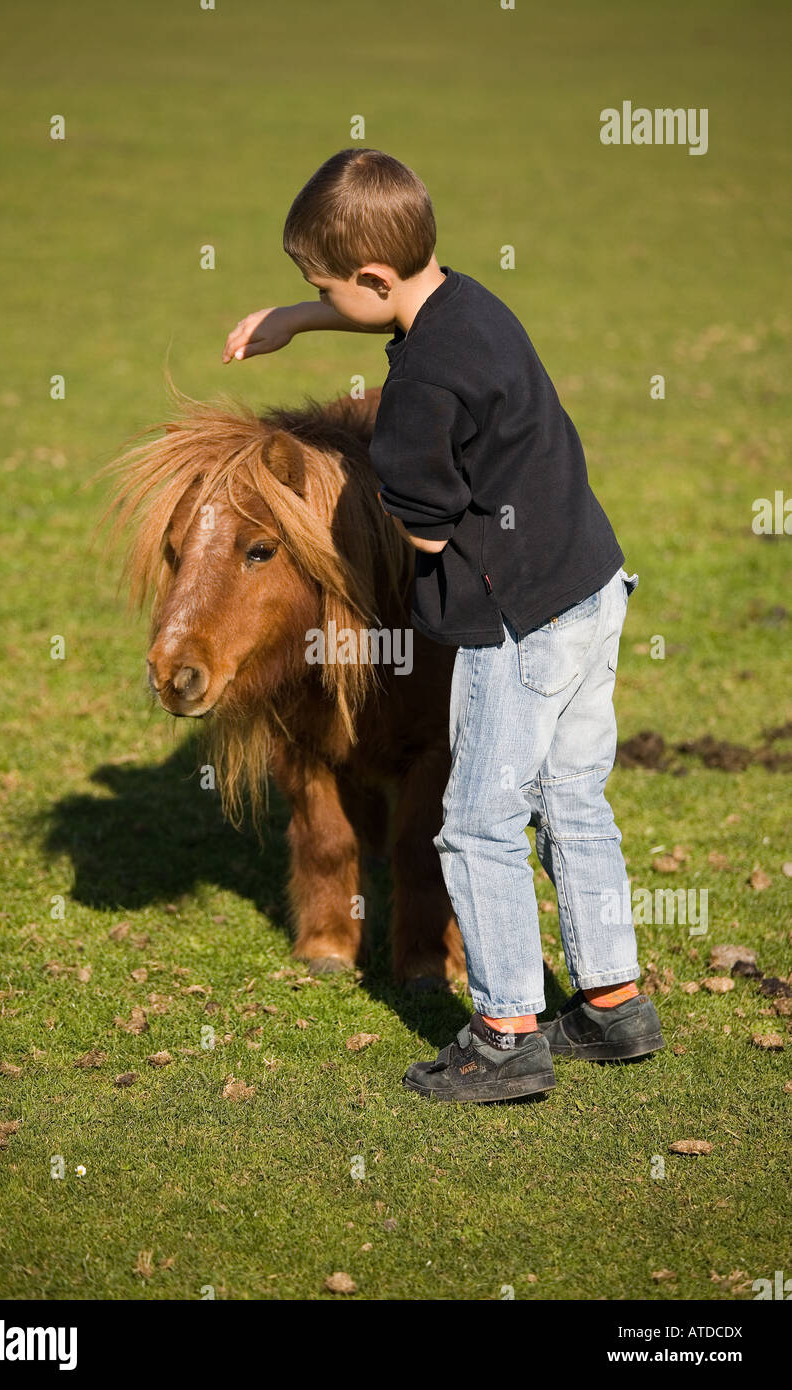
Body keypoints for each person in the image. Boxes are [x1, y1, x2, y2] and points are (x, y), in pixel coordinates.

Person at [223, 148, 664, 1103]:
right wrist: (295, 320)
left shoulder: (417, 394)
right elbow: (397, 327)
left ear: (374, 280)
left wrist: (370, 548)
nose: (322, 297)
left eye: (326, 285)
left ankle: (506, 1035)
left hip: (520, 622)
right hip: (593, 586)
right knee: (574, 802)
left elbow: (420, 522)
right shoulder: (469, 306)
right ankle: (615, 1003)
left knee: (477, 826)